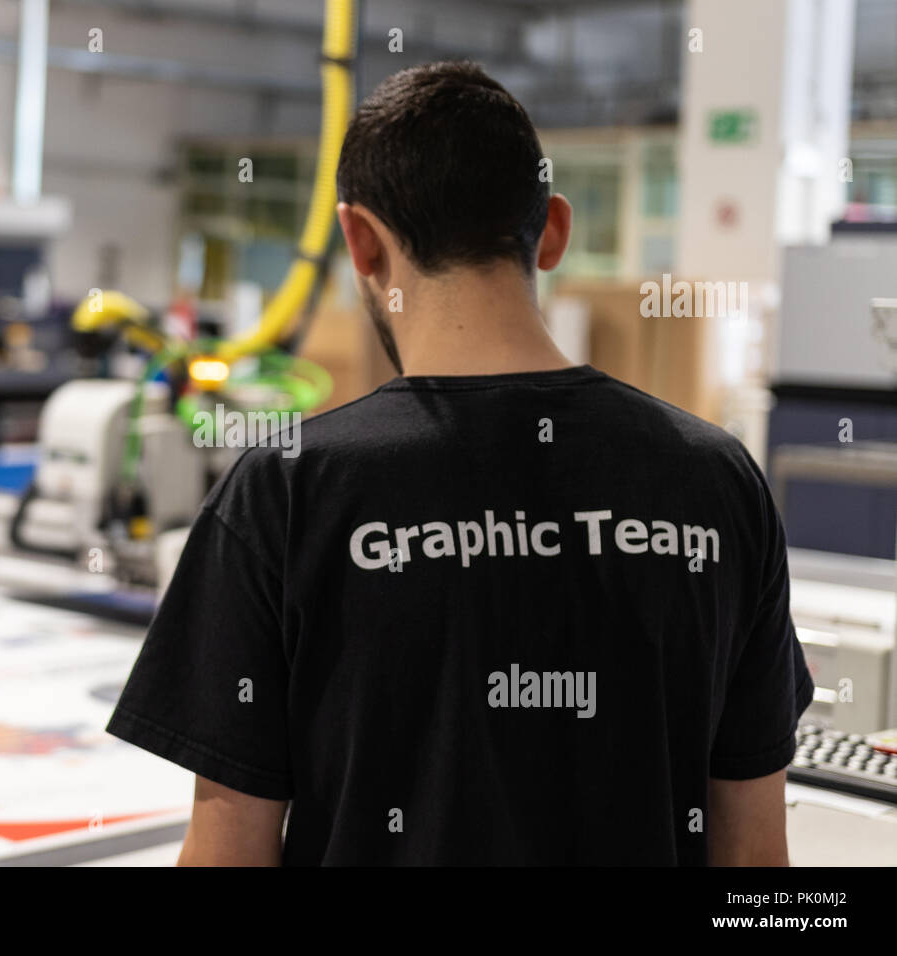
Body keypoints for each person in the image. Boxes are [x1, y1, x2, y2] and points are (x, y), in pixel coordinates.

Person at [106, 60, 814, 865]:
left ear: (359, 241)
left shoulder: (287, 492)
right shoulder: (716, 482)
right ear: (552, 231)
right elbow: (758, 864)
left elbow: (229, 855)